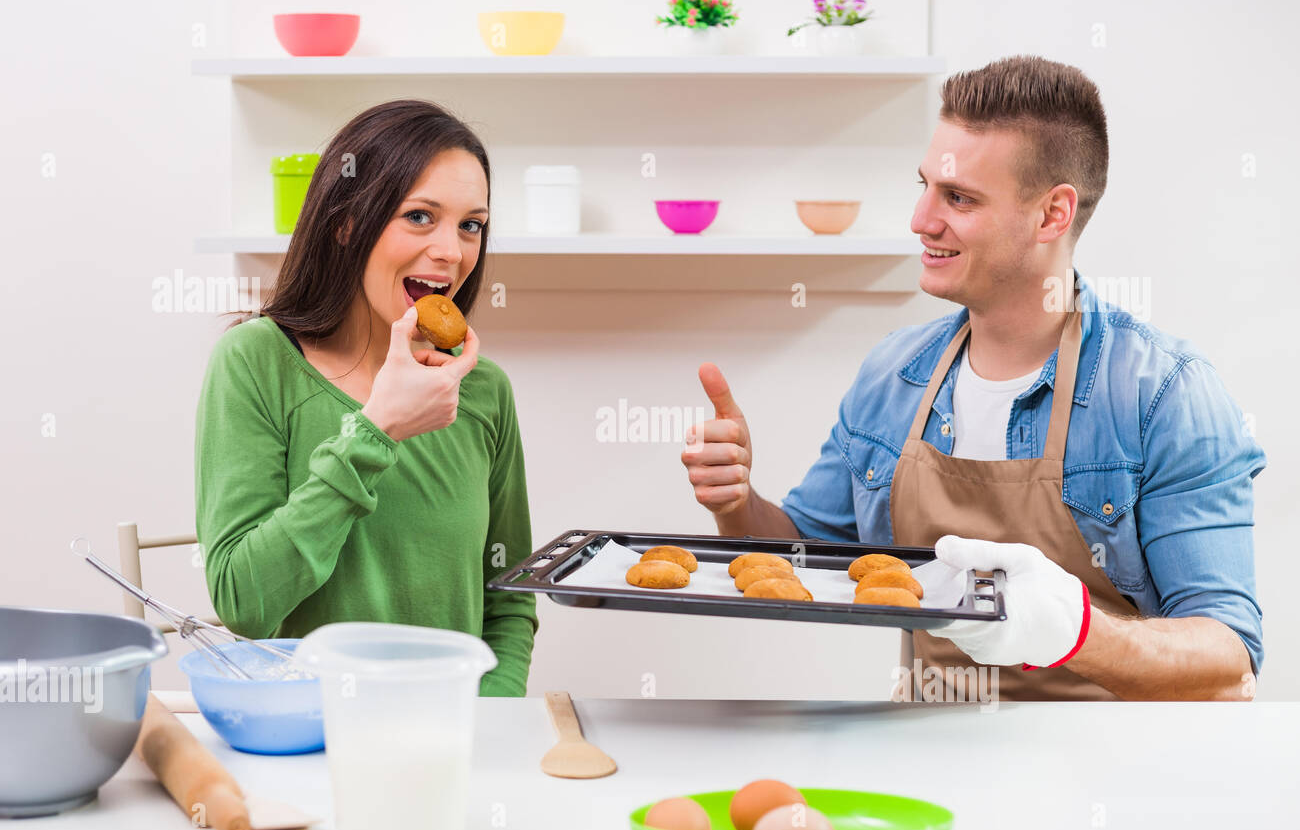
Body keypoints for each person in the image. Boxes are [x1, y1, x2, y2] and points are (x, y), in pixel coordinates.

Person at [681, 55, 1266, 701]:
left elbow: (1228, 649)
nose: (921, 219)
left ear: (1052, 215)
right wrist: (736, 501)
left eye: (957, 198)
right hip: (930, 762)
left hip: (1109, 772)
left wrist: (1071, 631)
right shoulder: (894, 377)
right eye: (925, 185)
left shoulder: (1162, 395)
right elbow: (794, 565)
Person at [195, 99, 537, 696]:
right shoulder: (255, 362)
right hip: (312, 743)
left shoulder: (483, 391)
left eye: (471, 225)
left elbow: (508, 601)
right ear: (347, 222)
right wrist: (376, 430)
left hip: (449, 740)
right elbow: (244, 602)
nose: (452, 253)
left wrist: (489, 718)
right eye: (421, 217)